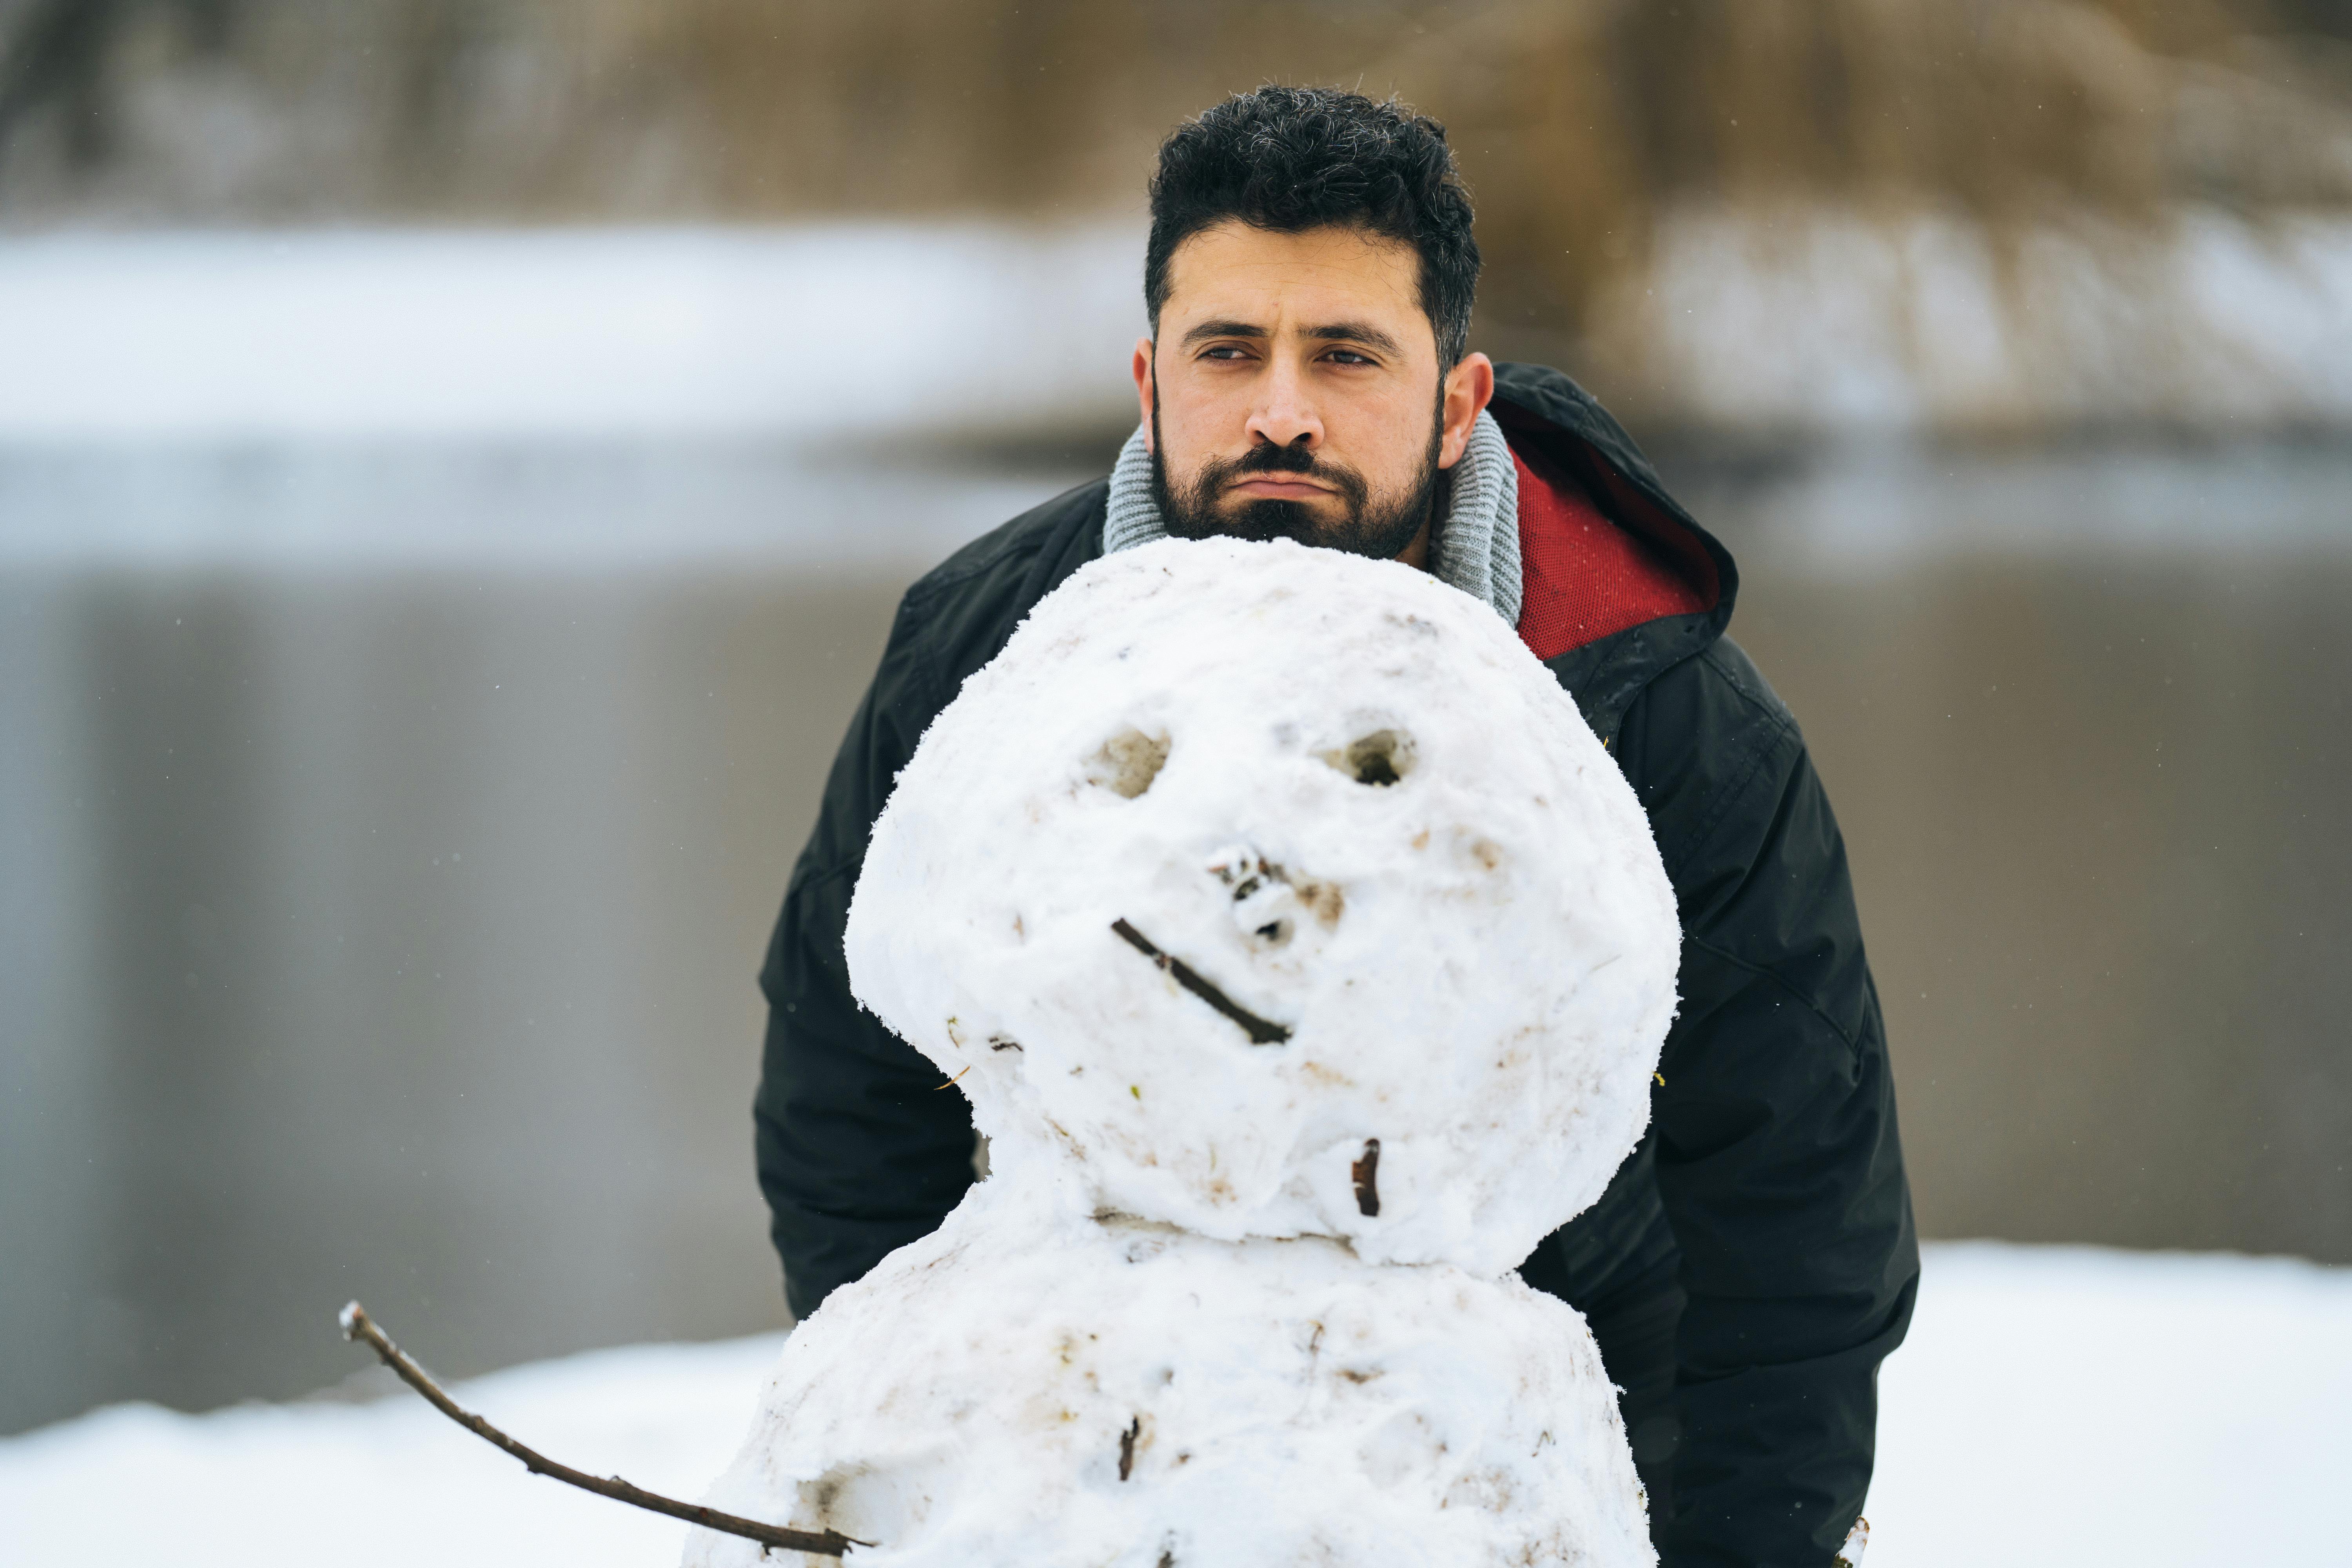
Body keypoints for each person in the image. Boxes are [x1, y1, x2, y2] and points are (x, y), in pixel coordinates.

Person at [753, 85, 1915, 1568]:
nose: (1280, 410)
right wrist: (956, 1422)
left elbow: (1800, 1209)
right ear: (1150, 379)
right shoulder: (987, 651)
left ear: (1457, 400)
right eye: (1227, 351)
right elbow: (845, 1084)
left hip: (1560, 1402)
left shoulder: (1657, 702)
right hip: (1107, 1395)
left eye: (1347, 355)